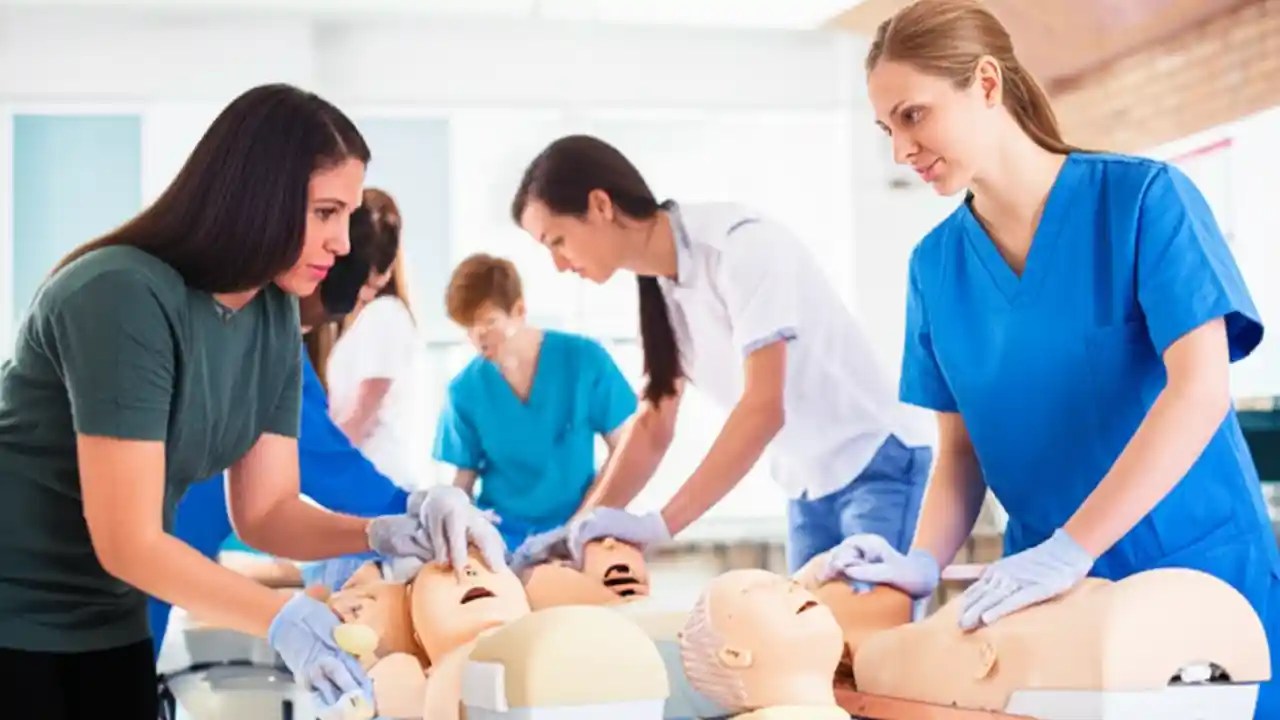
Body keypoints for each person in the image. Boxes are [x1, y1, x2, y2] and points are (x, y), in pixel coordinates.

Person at [819, 1, 1280, 717]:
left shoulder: (1143, 201)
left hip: (1196, 574)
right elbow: (961, 454)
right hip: (1049, 602)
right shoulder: (934, 267)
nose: (900, 150)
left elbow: (1199, 391)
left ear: (987, 83)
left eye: (914, 115)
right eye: (887, 129)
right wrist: (920, 563)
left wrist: (1075, 545)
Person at [0, 84, 432, 717]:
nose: (343, 243)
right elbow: (127, 540)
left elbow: (267, 510)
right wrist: (280, 616)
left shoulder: (272, 314)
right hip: (17, 615)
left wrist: (384, 532)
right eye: (325, 213)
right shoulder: (120, 295)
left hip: (113, 617)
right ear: (260, 196)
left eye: (347, 215)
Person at [509, 135, 932, 573]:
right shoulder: (659, 291)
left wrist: (660, 525)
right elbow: (654, 425)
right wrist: (575, 531)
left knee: (865, 628)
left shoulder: (738, 247)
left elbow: (764, 409)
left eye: (556, 241)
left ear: (600, 205)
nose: (558, 264)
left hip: (876, 459)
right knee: (810, 637)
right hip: (806, 482)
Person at [433, 253, 639, 551]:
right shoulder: (465, 390)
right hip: (501, 535)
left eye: (489, 322)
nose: (479, 339)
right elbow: (463, 479)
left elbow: (624, 451)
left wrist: (587, 519)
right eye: (469, 328)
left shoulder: (583, 360)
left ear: (519, 310)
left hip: (581, 524)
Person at [324, 189, 430, 493]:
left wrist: (315, 467)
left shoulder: (384, 315)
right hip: (366, 478)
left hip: (377, 479)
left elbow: (362, 414)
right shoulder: (362, 318)